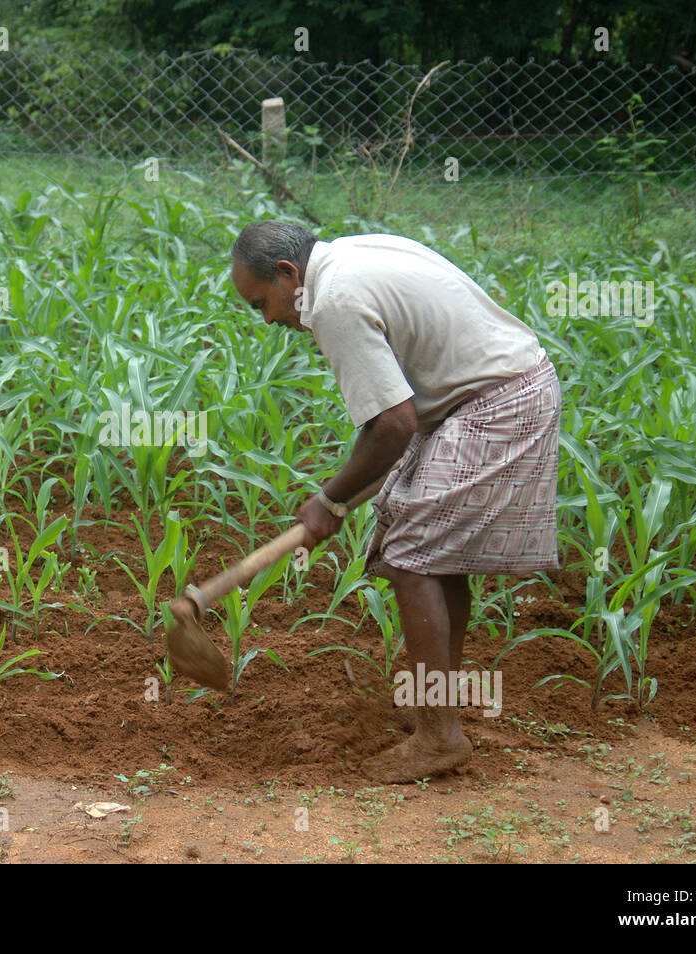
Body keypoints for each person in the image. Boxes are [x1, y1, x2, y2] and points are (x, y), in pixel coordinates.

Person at [230, 220, 562, 782]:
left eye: (263, 302)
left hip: (495, 401)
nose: (268, 319)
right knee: (434, 556)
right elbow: (398, 423)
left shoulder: (333, 298)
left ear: (289, 275)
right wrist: (337, 502)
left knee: (411, 558)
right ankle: (439, 704)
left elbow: (392, 424)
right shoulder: (349, 256)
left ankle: (438, 735)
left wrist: (328, 500)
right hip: (493, 390)